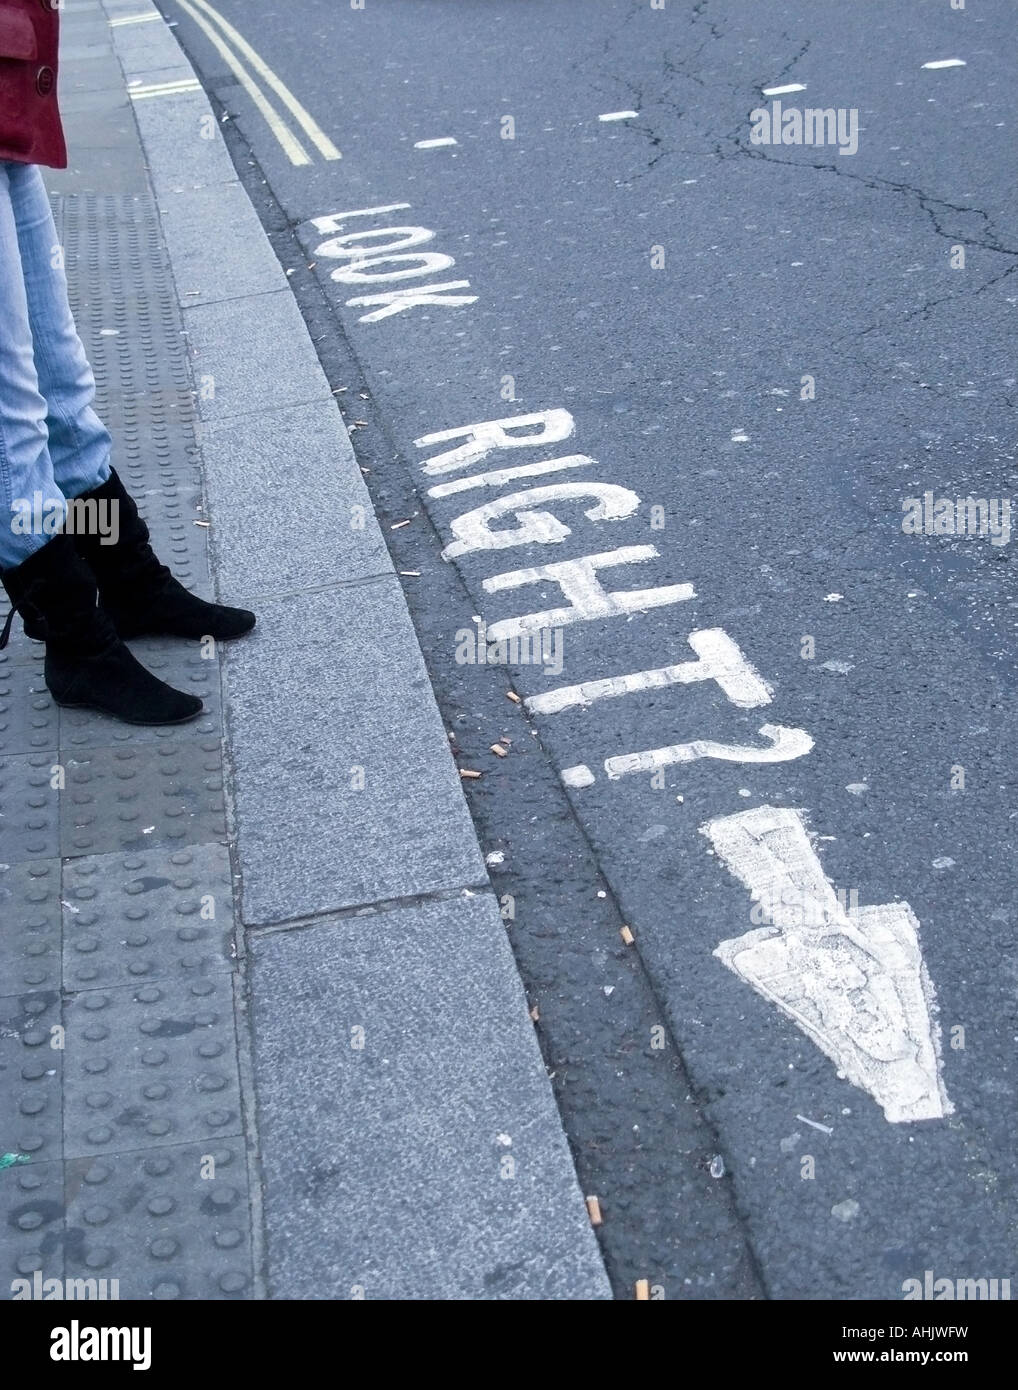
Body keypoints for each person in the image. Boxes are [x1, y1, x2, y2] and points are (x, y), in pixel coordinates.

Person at [0, 0, 254, 726]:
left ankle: (130, 585)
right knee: (9, 417)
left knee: (60, 389)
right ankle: (79, 649)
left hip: (8, 102)